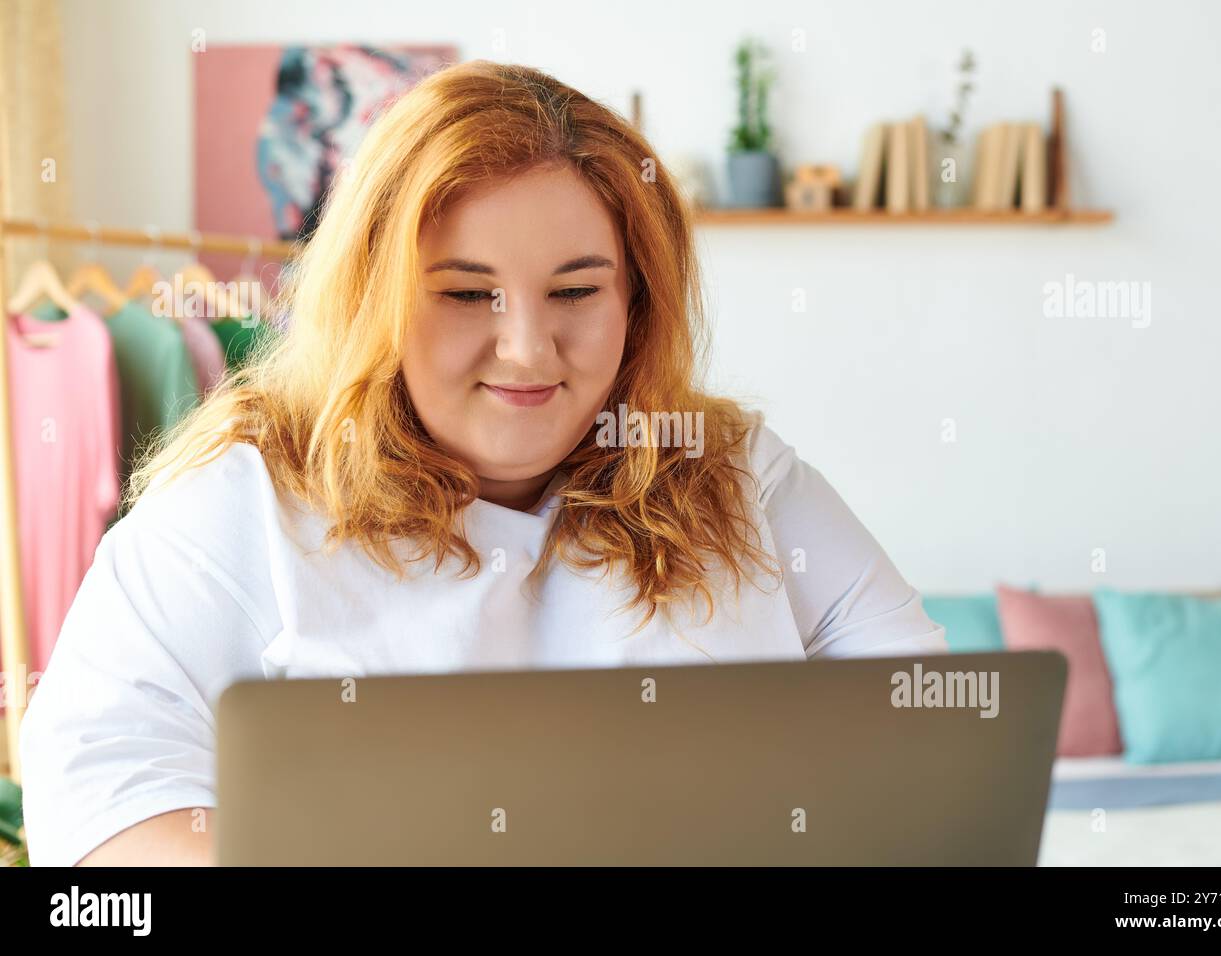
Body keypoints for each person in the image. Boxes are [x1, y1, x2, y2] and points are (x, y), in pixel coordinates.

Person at [19, 60, 945, 867]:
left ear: (639, 300)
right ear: (373, 298)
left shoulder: (736, 474)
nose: (529, 351)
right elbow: (96, 812)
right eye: (468, 294)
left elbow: (927, 736)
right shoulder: (250, 498)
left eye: (576, 291)